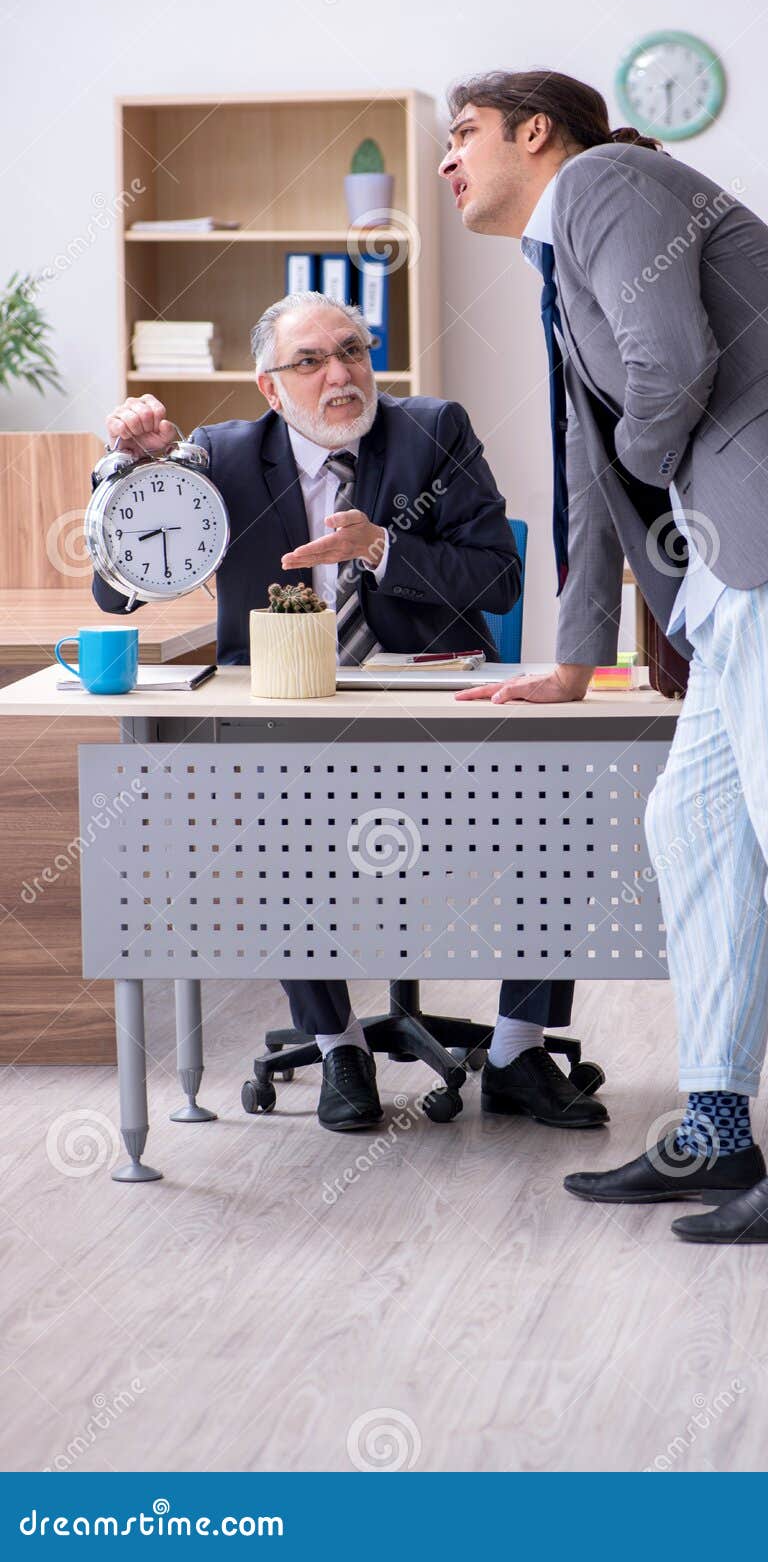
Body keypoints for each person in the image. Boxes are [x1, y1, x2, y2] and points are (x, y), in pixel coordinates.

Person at [440, 70, 768, 1244]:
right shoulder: (561, 263)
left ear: (536, 132)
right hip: (745, 556)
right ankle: (716, 1122)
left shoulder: (609, 181)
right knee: (695, 826)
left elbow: (669, 369)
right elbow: (589, 479)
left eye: (462, 135)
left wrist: (664, 472)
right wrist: (572, 658)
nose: (449, 162)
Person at [93, 290, 609, 1137]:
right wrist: (133, 475)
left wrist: (381, 546)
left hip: (437, 715)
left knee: (552, 810)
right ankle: (337, 1046)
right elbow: (115, 593)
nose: (340, 374)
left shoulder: (433, 431)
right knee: (268, 828)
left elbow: (500, 582)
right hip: (287, 726)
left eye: (354, 351)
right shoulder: (219, 457)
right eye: (311, 362)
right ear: (269, 388)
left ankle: (519, 1052)